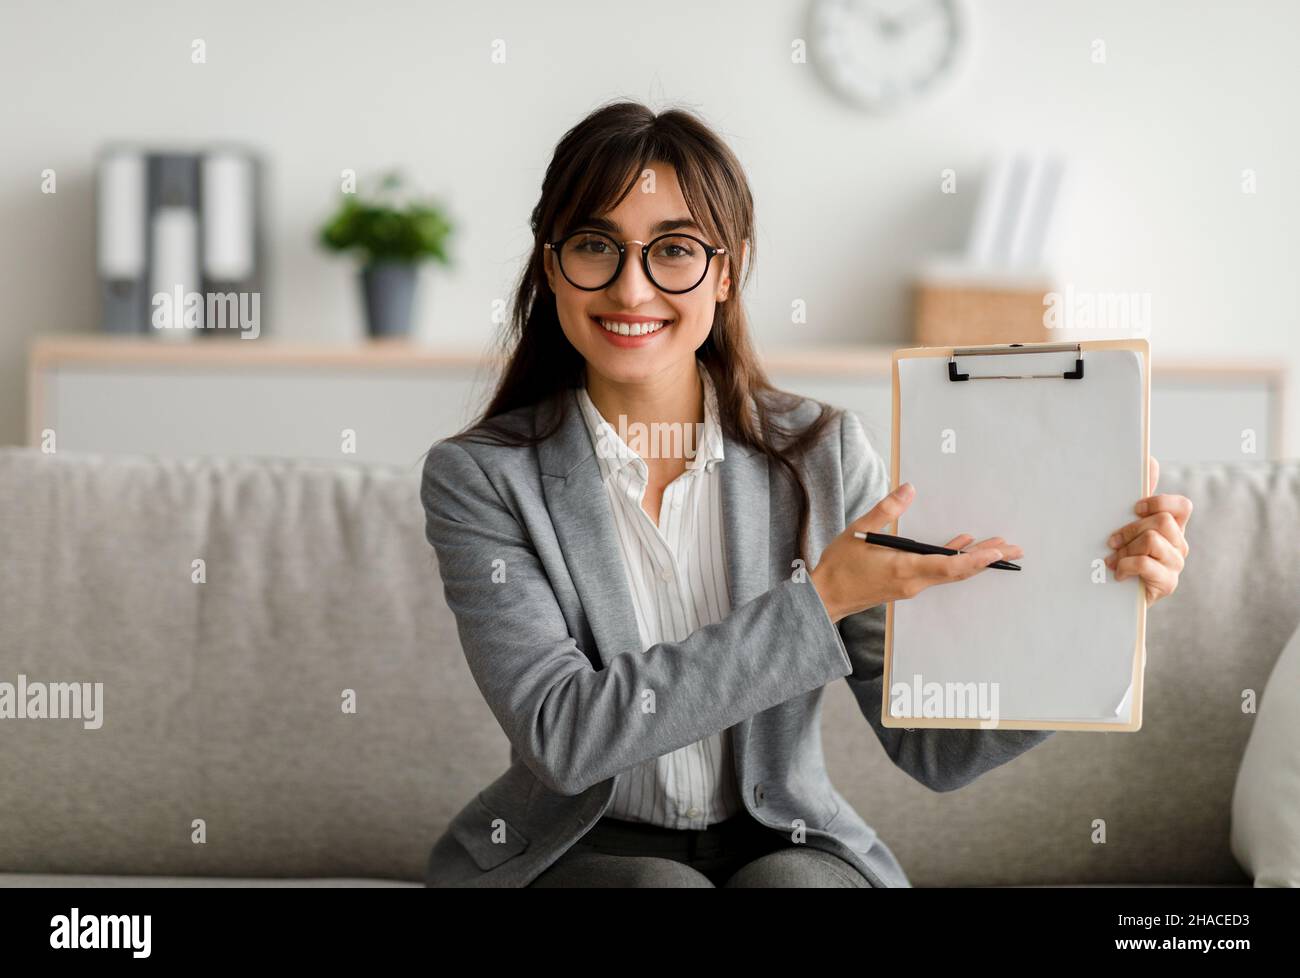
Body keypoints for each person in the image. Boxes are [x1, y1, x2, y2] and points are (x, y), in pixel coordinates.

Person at [419, 100, 1192, 888]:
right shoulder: (482, 480)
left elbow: (935, 748)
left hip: (784, 843)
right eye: (595, 246)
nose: (631, 287)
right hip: (581, 850)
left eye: (675, 250)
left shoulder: (821, 453)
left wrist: (1096, 609)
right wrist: (816, 604)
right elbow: (564, 735)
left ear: (727, 270)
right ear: (551, 266)